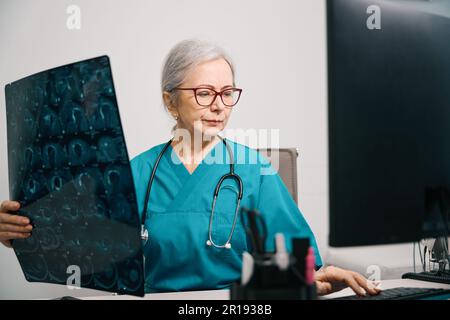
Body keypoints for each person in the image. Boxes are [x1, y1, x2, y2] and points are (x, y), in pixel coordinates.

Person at [0, 39, 380, 297]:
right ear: (170, 101)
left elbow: (299, 268)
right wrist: (19, 232)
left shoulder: (254, 171)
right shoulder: (135, 171)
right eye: (204, 93)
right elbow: (74, 240)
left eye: (227, 94)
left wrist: (314, 281)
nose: (219, 105)